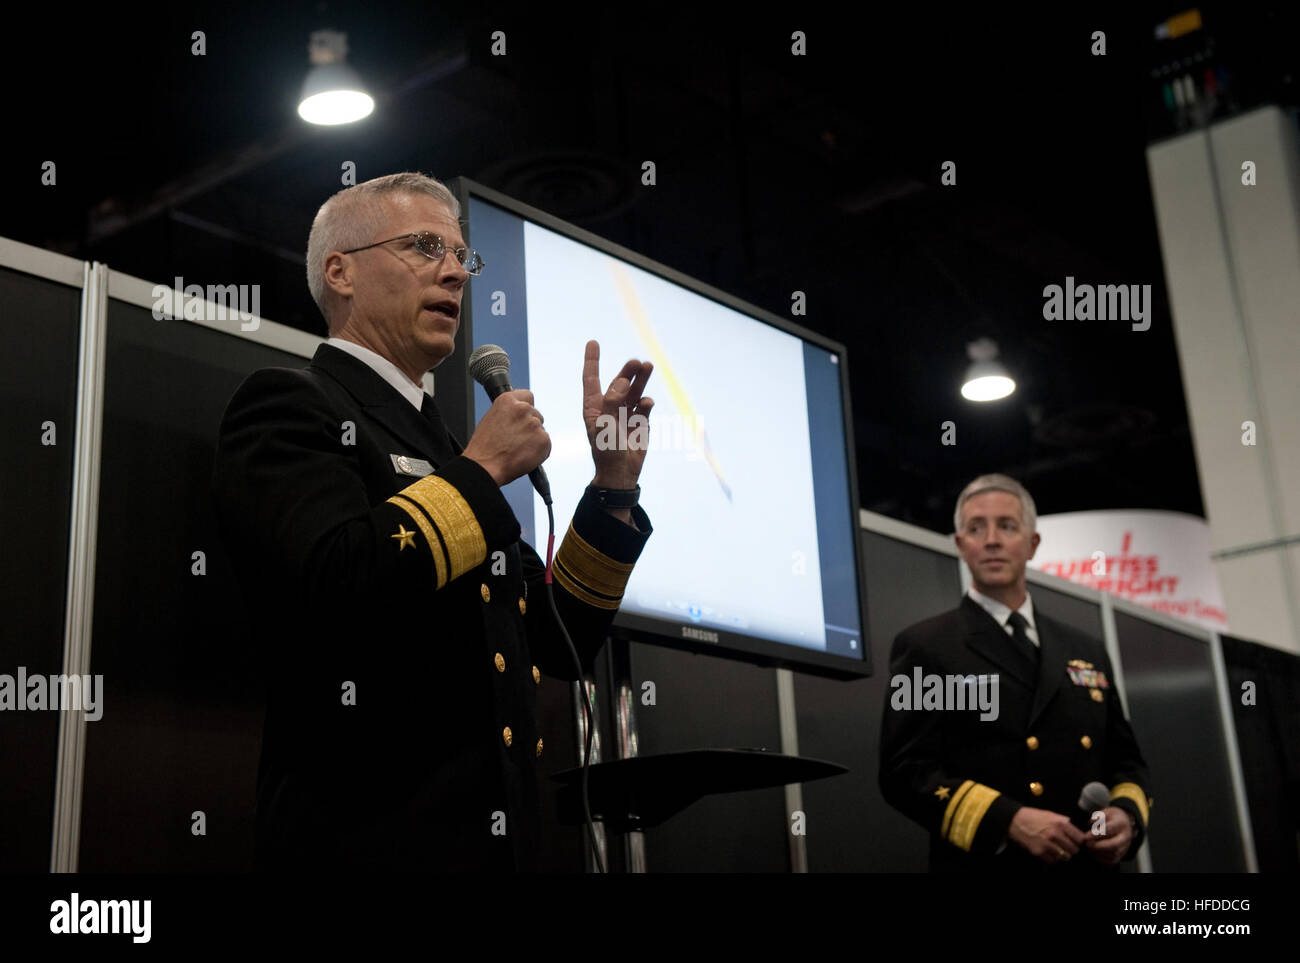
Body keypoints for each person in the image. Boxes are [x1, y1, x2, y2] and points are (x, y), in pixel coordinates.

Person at [211, 172, 655, 871]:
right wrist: (481, 471)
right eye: (424, 247)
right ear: (341, 272)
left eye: (461, 255)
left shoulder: (446, 449)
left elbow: (557, 638)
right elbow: (335, 581)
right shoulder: (291, 405)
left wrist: (613, 486)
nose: (456, 271)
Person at [878, 474, 1151, 871]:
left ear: (1032, 543)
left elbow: (1126, 762)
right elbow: (906, 772)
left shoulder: (1086, 650)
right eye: (976, 528)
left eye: (1007, 526)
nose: (992, 540)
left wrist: (1126, 814)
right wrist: (1007, 821)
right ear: (960, 545)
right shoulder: (927, 646)